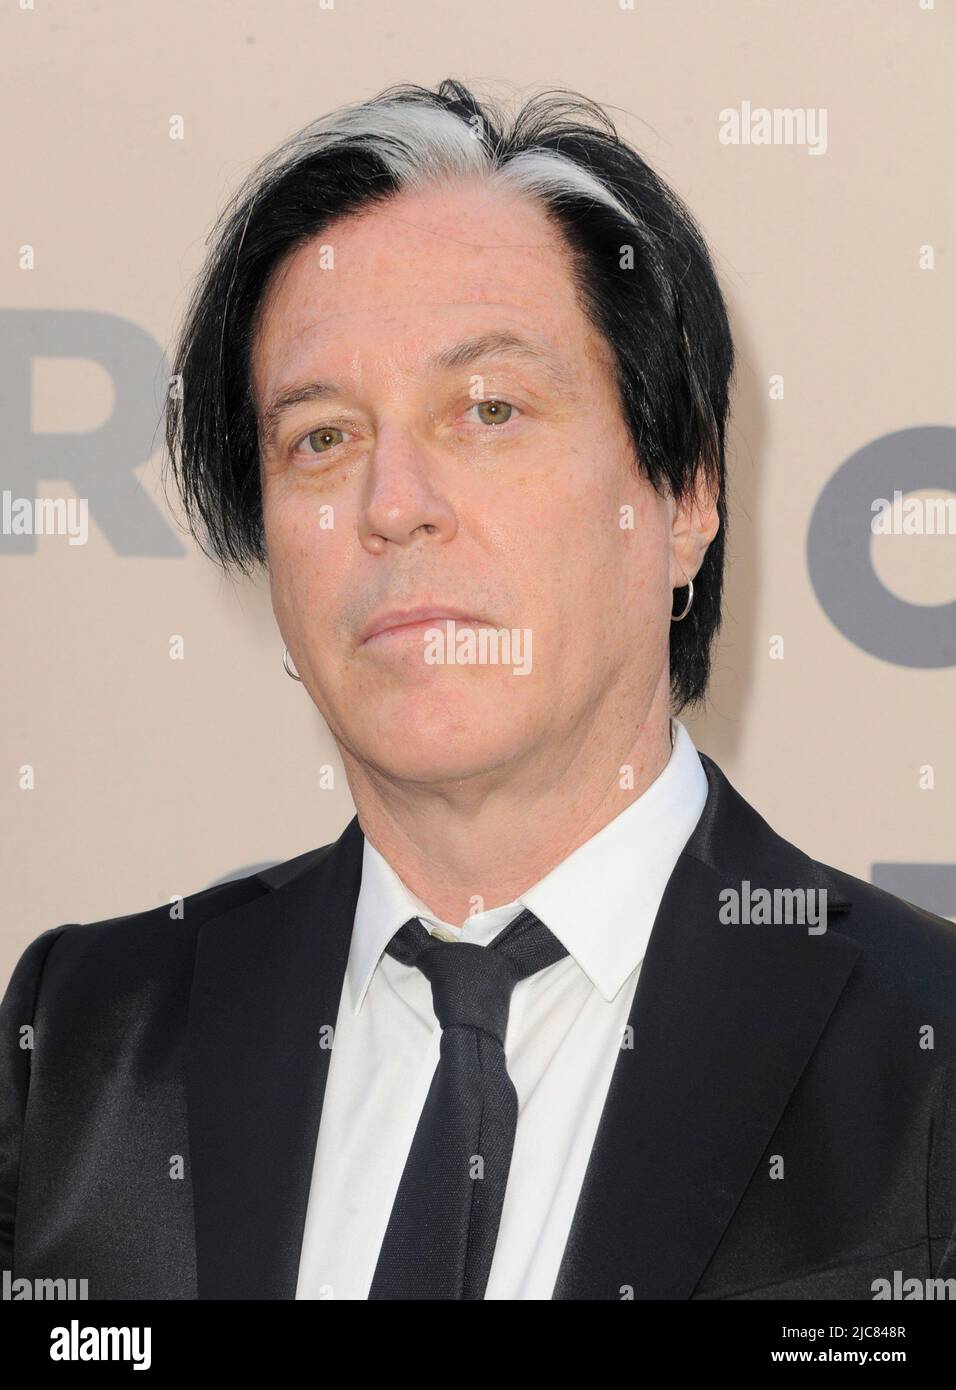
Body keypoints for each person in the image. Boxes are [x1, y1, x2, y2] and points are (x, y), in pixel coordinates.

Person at [2, 78, 954, 1302]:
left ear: (683, 499)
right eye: (321, 438)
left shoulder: (920, 1061)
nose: (391, 503)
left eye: (488, 409)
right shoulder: (85, 1043)